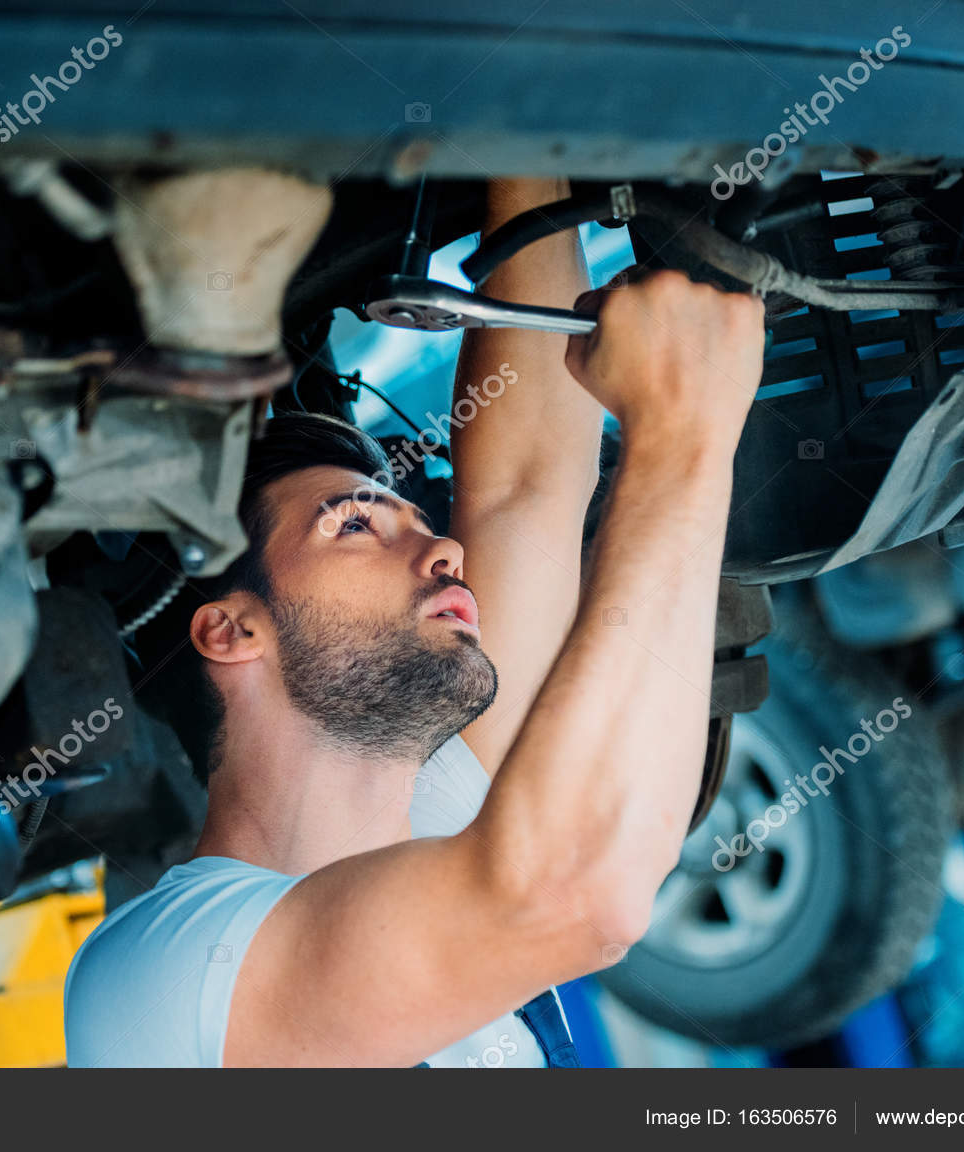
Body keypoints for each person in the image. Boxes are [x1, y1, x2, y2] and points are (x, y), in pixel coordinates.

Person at [63, 177, 766, 1066]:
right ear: (231, 631)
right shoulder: (164, 976)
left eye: (390, 523)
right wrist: (685, 437)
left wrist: (523, 135)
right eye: (356, 523)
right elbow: (573, 894)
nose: (445, 553)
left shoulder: (442, 831)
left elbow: (528, 486)